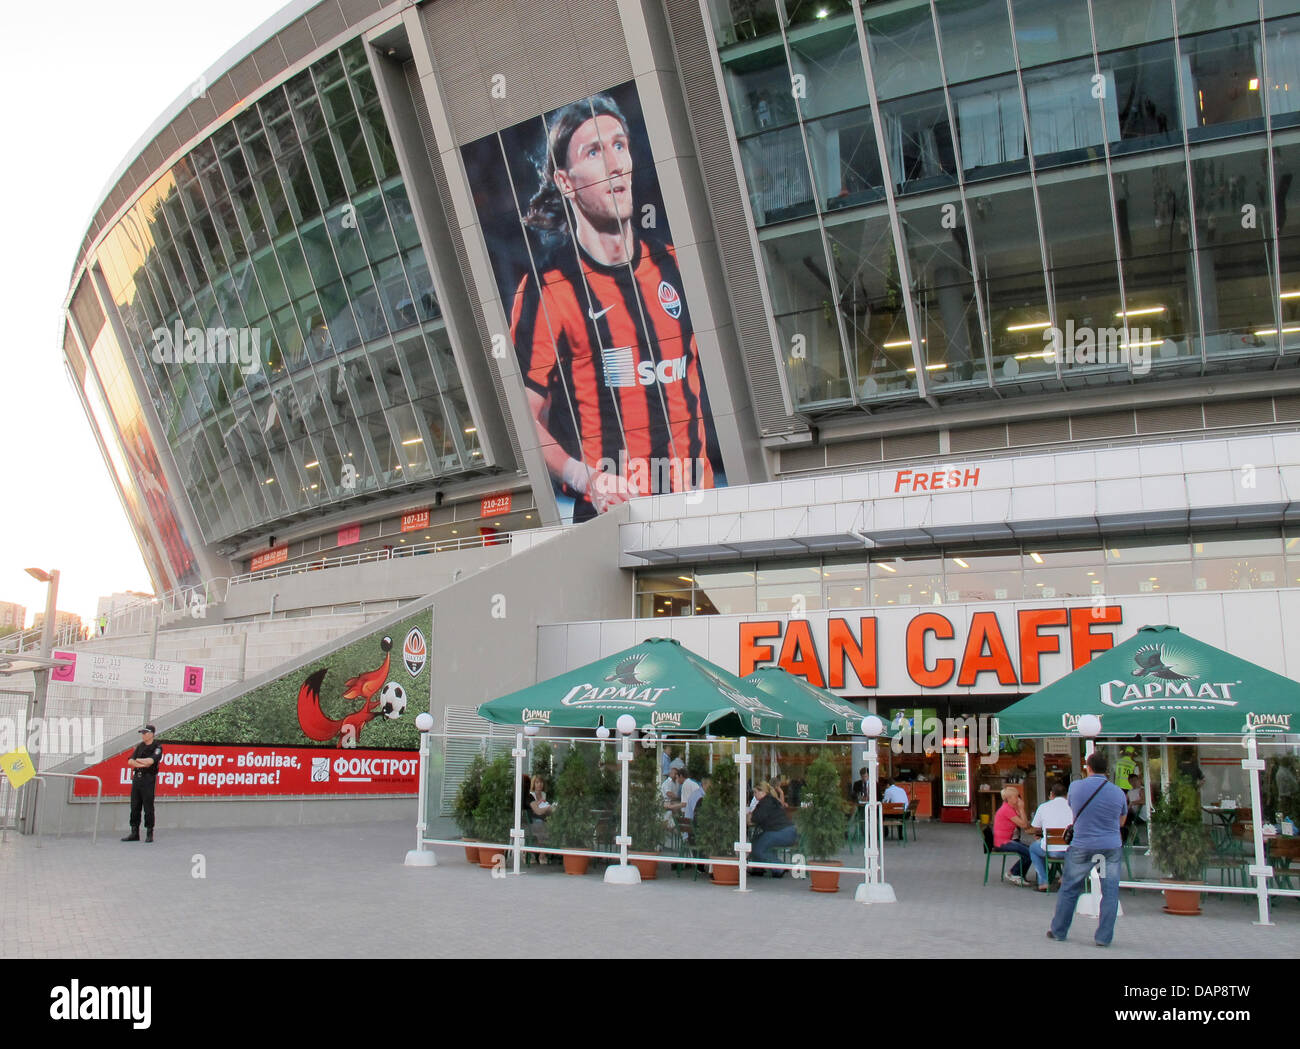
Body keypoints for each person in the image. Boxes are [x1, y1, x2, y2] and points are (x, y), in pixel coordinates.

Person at [511, 92, 720, 522]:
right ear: (565, 181)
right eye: (594, 151)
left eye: (619, 145)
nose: (614, 163)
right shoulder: (548, 288)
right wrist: (583, 477)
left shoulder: (678, 265)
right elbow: (524, 419)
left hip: (699, 511)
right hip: (611, 522)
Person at [1047, 751, 1128, 947]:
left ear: (1087, 767)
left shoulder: (1076, 787)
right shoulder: (1118, 792)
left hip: (1082, 845)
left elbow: (1073, 808)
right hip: (1109, 847)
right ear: (1106, 769)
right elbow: (1122, 821)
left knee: (1070, 888)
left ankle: (1059, 931)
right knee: (1110, 892)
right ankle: (1103, 937)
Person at [1028, 782, 1073, 891]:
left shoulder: (1043, 807)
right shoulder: (1073, 807)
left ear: (1051, 794)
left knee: (1033, 848)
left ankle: (1043, 882)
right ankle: (1064, 877)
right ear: (1066, 795)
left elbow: (1035, 827)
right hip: (1070, 849)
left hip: (1050, 848)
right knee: (1070, 851)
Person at [122, 724, 163, 843]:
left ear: (151, 734)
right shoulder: (140, 746)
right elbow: (130, 761)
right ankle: (134, 832)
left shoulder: (157, 747)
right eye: (142, 733)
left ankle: (149, 832)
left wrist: (139, 761)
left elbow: (151, 761)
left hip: (148, 779)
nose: (143, 735)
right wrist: (142, 763)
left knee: (148, 806)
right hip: (137, 779)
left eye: (145, 733)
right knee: (135, 806)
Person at [748, 781, 797, 877]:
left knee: (757, 847)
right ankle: (758, 868)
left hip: (780, 832)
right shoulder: (771, 800)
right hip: (787, 832)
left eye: (755, 792)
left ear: (763, 792)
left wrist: (749, 816)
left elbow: (754, 818)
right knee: (756, 840)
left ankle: (779, 867)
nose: (754, 795)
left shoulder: (765, 803)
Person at [991, 786, 1034, 885]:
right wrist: (1022, 808)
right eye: (1016, 797)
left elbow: (1025, 824)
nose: (1018, 799)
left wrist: (1020, 809)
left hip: (1004, 840)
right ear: (1009, 799)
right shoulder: (1007, 810)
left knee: (1030, 850)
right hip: (1002, 842)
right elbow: (1023, 825)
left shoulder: (1009, 808)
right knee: (1030, 852)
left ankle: (1018, 874)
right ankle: (1014, 873)